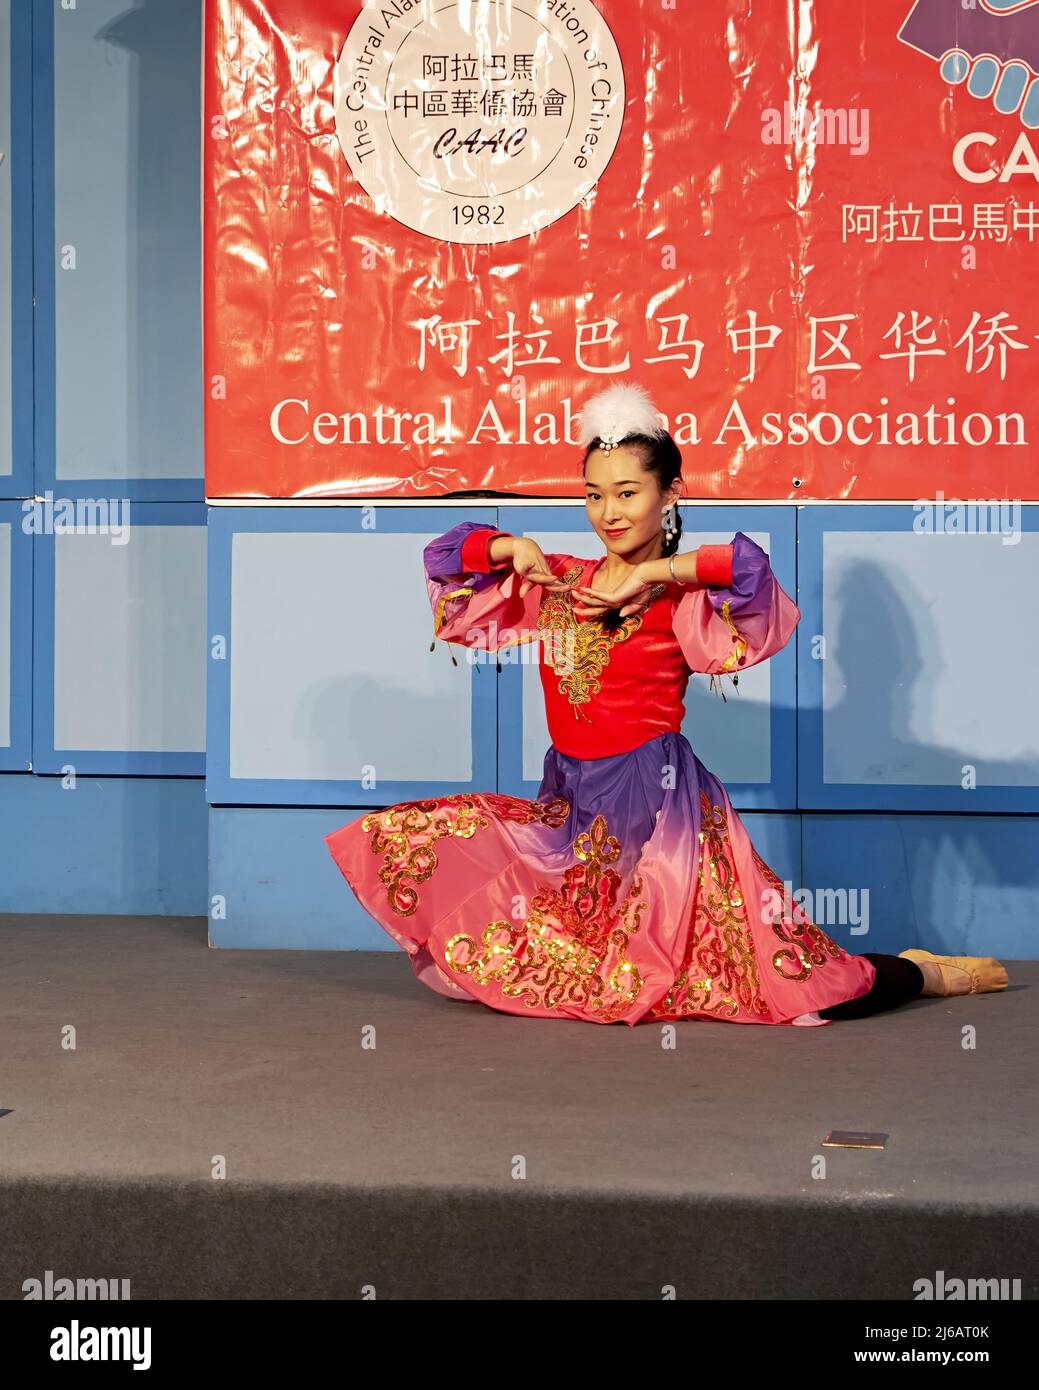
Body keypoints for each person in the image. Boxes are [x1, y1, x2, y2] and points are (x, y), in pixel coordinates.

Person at [325, 382, 1008, 1026]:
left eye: (627, 492)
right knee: (448, 854)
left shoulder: (679, 598)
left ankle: (919, 975)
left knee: (779, 987)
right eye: (593, 496)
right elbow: (448, 555)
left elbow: (747, 572)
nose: (608, 512)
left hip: (659, 813)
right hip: (573, 802)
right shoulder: (557, 580)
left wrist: (652, 572)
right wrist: (512, 546)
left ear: (668, 493)